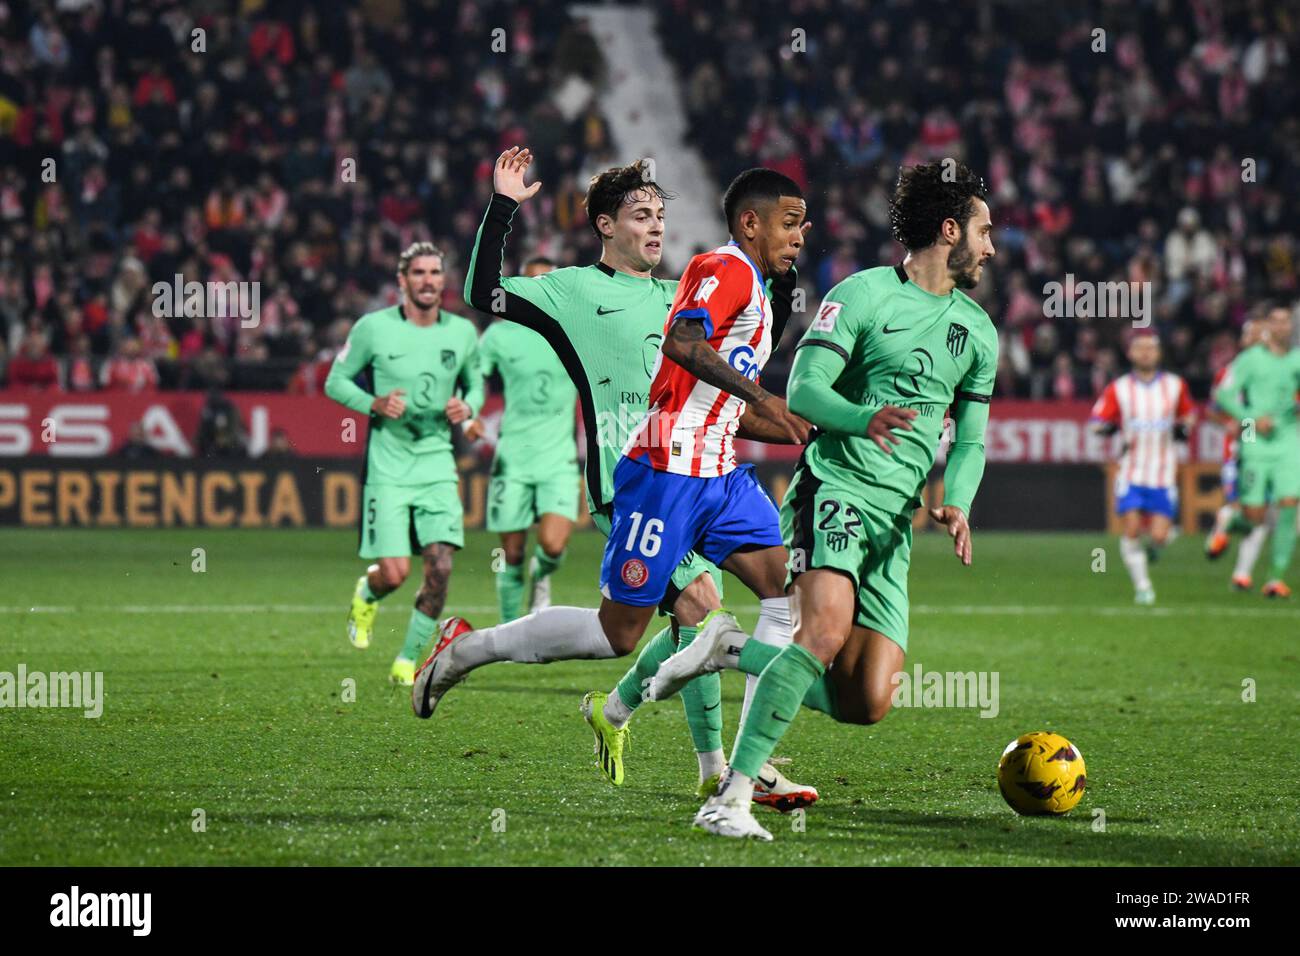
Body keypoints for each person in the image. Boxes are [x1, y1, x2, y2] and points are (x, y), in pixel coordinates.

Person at [418, 148, 817, 810]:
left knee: (685, 624)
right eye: (639, 215)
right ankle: (471, 652)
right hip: (635, 481)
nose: (655, 227)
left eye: (661, 215)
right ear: (605, 226)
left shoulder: (682, 293)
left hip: (701, 473)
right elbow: (481, 292)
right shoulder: (572, 290)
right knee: (695, 619)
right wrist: (503, 206)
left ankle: (716, 764)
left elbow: (721, 397)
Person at [649, 160, 998, 841]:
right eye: (984, 231)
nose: (991, 246)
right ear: (949, 231)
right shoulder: (862, 296)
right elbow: (804, 393)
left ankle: (728, 647)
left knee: (865, 701)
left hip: (894, 521)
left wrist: (958, 501)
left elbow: (972, 440)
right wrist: (861, 419)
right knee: (824, 632)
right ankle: (733, 798)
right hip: (835, 489)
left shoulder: (978, 333)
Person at [326, 242, 483, 684]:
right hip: (389, 467)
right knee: (395, 573)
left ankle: (407, 662)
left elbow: (475, 387)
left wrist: (466, 408)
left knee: (441, 567)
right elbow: (335, 381)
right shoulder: (373, 329)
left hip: (436, 463)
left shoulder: (462, 333)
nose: (428, 280)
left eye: (435, 272)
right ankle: (367, 591)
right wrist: (372, 402)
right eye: (419, 273)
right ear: (402, 281)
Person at [472, 256, 580, 622]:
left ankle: (543, 574)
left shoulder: (577, 332)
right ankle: (507, 630)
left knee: (552, 544)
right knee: (511, 553)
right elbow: (474, 378)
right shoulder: (501, 334)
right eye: (533, 284)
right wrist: (470, 412)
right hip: (513, 457)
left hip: (559, 457)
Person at [1089, 332, 1196, 605]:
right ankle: (1143, 587)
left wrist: (1184, 427)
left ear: (1159, 354)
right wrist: (1108, 427)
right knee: (1132, 529)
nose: (1146, 353)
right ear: (1131, 354)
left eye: (1151, 348)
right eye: (1141, 348)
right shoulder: (1120, 388)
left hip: (1162, 472)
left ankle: (1155, 549)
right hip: (1132, 471)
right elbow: (1097, 421)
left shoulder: (1174, 386)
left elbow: (1189, 416)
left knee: (1160, 536)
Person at [1213, 305, 1300, 598]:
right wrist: (1250, 419)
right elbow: (1222, 397)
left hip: (1289, 439)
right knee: (1255, 516)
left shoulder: (1297, 359)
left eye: (1286, 321)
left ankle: (1275, 578)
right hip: (1254, 437)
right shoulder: (1249, 361)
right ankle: (1230, 521)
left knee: (1289, 504)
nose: (1281, 326)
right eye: (1275, 321)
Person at [1204, 318, 1274, 589]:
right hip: (1240, 448)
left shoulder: (1280, 371)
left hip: (1270, 449)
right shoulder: (1230, 372)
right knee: (1239, 504)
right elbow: (1212, 408)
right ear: (1243, 341)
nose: (1256, 340)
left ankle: (1241, 574)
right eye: (1251, 335)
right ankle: (1223, 527)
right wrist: (1230, 423)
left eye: (1261, 335)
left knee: (1260, 514)